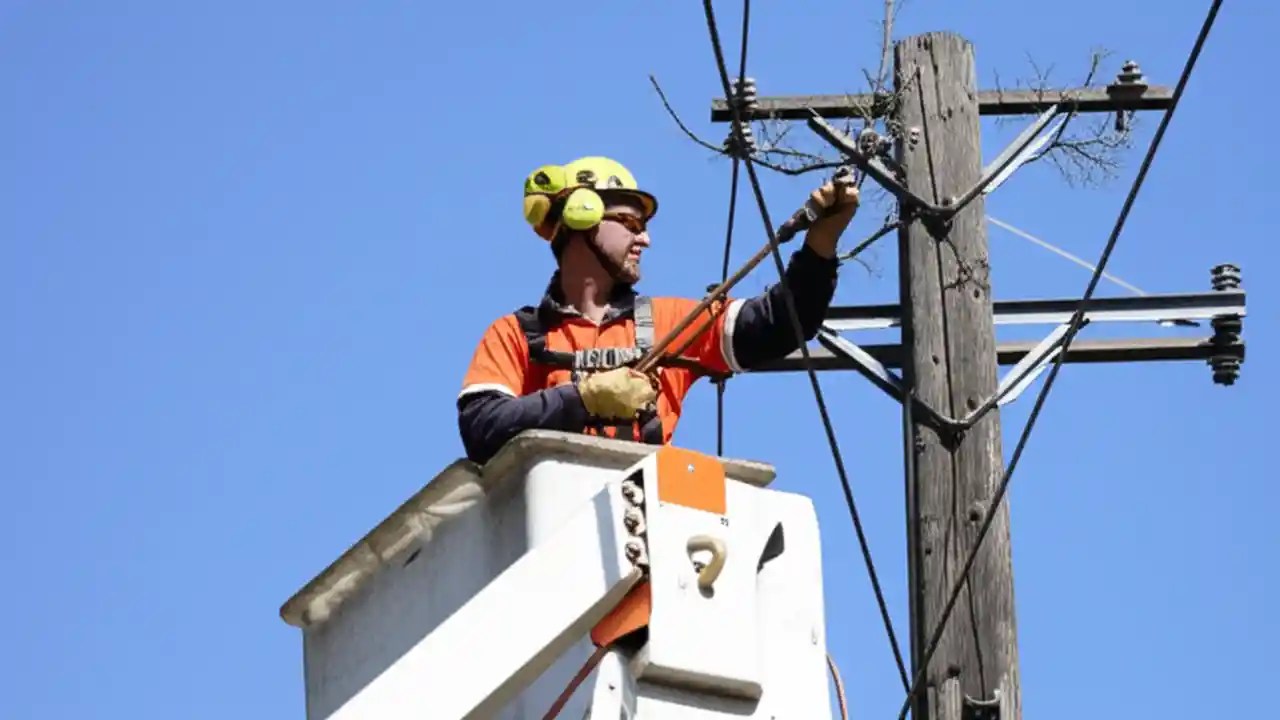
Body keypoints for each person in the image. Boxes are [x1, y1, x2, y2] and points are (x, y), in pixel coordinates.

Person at [457, 155, 858, 464]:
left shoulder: (668, 323)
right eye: (631, 224)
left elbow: (779, 324)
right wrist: (584, 399)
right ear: (583, 218)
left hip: (647, 549)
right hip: (557, 543)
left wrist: (820, 245)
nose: (645, 239)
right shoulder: (518, 335)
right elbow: (481, 427)